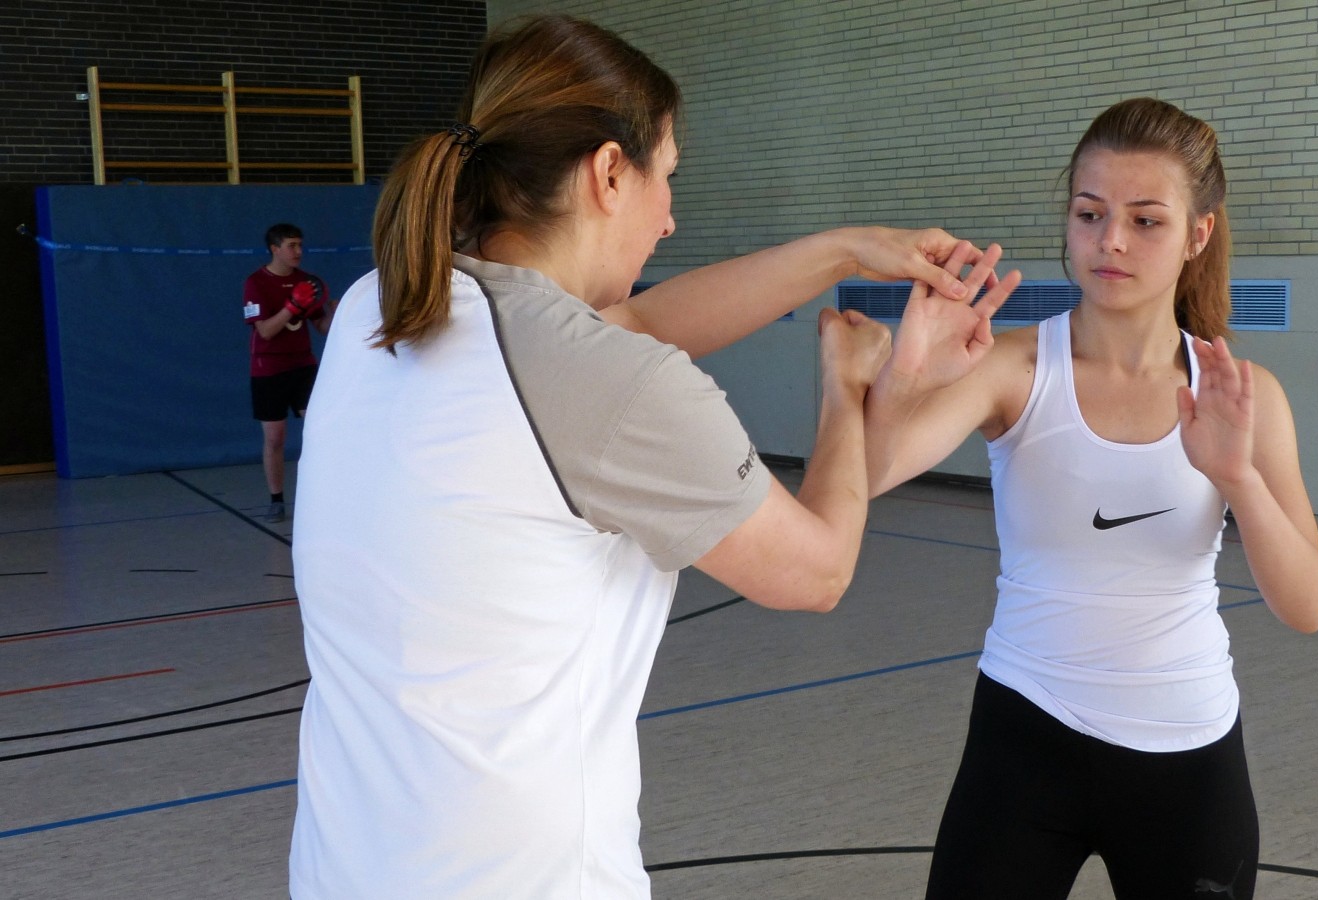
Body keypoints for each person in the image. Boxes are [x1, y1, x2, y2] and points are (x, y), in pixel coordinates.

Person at [287, 14, 1009, 899]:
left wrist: (846, 250)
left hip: (345, 868)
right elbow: (816, 571)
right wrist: (846, 387)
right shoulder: (600, 378)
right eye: (667, 178)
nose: (669, 220)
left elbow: (628, 327)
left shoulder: (384, 302)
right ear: (607, 172)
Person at [863, 98, 1318, 900]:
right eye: (1090, 214)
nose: (1110, 240)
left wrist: (1238, 478)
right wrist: (904, 375)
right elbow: (862, 477)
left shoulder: (1244, 397)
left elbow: (1309, 606)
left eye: (1145, 220)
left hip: (1186, 749)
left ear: (1197, 235)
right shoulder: (1010, 366)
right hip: (1023, 734)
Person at [242, 222, 332, 523]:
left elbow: (321, 328)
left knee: (318, 430)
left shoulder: (308, 281)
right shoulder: (256, 283)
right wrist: (292, 307)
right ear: (275, 249)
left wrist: (336, 312)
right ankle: (277, 499)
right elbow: (265, 331)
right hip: (269, 367)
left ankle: (322, 495)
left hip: (303, 365)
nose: (298, 252)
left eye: (300, 245)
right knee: (275, 437)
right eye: (292, 246)